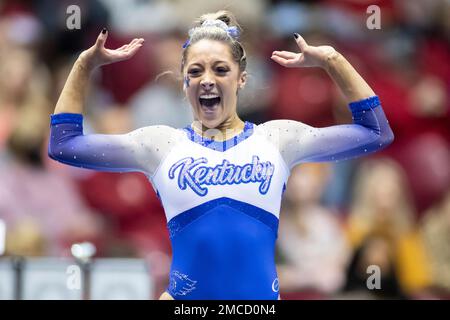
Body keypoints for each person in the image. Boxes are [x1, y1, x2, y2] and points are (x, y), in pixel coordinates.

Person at [47, 11, 394, 300]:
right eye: (195, 71)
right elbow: (64, 144)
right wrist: (83, 66)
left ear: (242, 79)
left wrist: (333, 61)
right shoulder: (160, 146)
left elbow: (376, 132)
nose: (207, 80)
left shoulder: (277, 139)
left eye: (220, 69)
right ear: (184, 83)